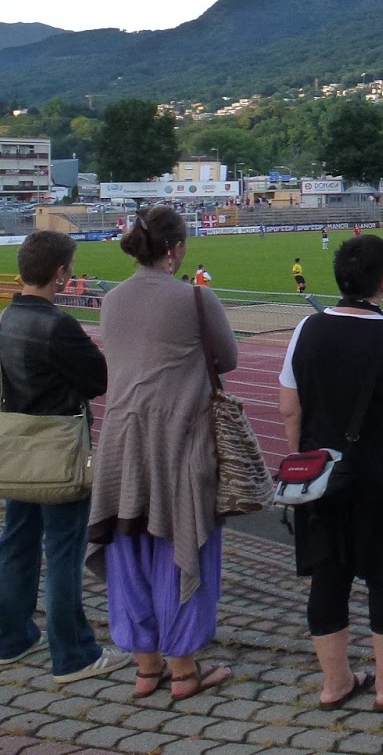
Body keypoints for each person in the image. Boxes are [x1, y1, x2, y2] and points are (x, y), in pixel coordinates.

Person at [278, 235, 383, 712]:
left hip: (322, 479)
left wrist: (302, 463)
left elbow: (289, 408)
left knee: (328, 575)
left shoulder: (304, 330)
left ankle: (335, 682)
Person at [90, 205, 238, 701]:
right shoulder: (195, 299)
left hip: (121, 439)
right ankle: (183, 670)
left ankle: (145, 667)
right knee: (183, 546)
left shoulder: (111, 301)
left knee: (127, 546)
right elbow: (229, 358)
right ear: (175, 249)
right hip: (180, 438)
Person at [0, 232, 130, 684]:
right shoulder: (58, 326)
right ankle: (72, 653)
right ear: (62, 272)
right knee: (62, 550)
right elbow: (98, 379)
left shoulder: (6, 319)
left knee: (16, 542)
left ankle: (11, 637)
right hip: (59, 449)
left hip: (16, 449)